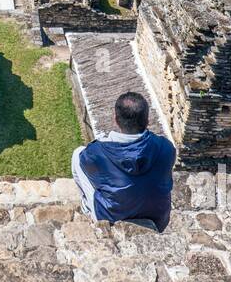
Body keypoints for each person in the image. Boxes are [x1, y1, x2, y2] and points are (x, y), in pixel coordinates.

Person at [72, 91, 176, 232]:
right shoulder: (166, 148)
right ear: (147, 121)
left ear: (115, 119)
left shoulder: (96, 153)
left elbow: (89, 167)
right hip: (157, 218)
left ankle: (87, 206)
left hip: (111, 216)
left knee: (77, 154)